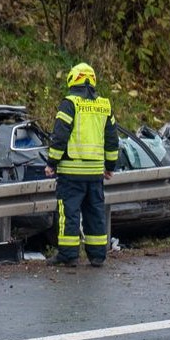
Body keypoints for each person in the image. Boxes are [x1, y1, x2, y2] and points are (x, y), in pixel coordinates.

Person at [44, 62, 119, 268]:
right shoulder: (104, 105)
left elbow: (60, 135)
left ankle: (69, 255)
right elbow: (112, 139)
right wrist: (110, 166)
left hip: (71, 172)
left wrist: (52, 162)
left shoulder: (70, 103)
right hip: (95, 173)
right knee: (95, 213)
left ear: (72, 79)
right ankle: (97, 255)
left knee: (68, 214)